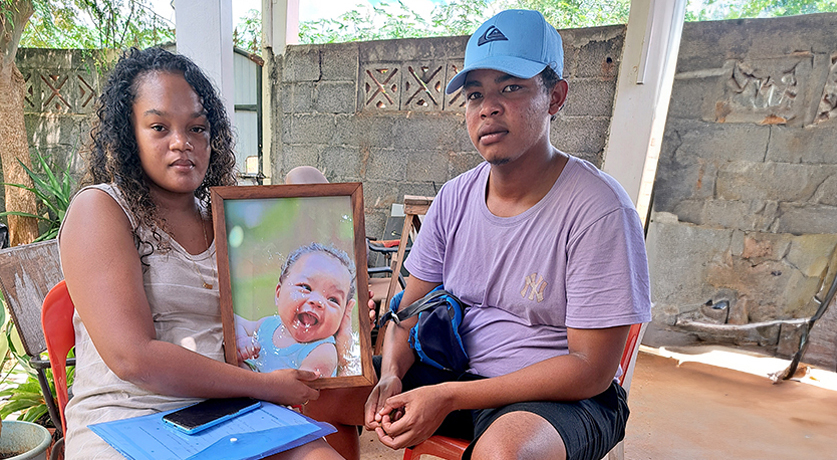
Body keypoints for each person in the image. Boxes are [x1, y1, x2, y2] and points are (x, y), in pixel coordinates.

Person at [307, 9, 652, 460]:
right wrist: (391, 370)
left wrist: (449, 397)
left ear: (556, 96)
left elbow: (590, 369)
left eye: (511, 87)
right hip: (453, 368)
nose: (488, 107)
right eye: (474, 94)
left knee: (503, 455)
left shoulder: (599, 210)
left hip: (555, 396)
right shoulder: (454, 198)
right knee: (317, 395)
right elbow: (409, 310)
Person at [58, 47, 343, 460]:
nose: (182, 143)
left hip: (230, 412)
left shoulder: (227, 217)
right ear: (128, 134)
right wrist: (264, 386)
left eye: (197, 128)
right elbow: (132, 357)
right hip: (126, 420)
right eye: (159, 127)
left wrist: (347, 312)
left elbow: (310, 191)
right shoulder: (101, 209)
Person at [236, 243, 357, 378]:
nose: (317, 301)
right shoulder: (269, 325)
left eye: (333, 299)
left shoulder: (323, 352)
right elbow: (234, 321)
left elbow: (295, 392)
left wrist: (243, 371)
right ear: (278, 294)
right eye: (306, 287)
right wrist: (241, 339)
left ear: (343, 316)